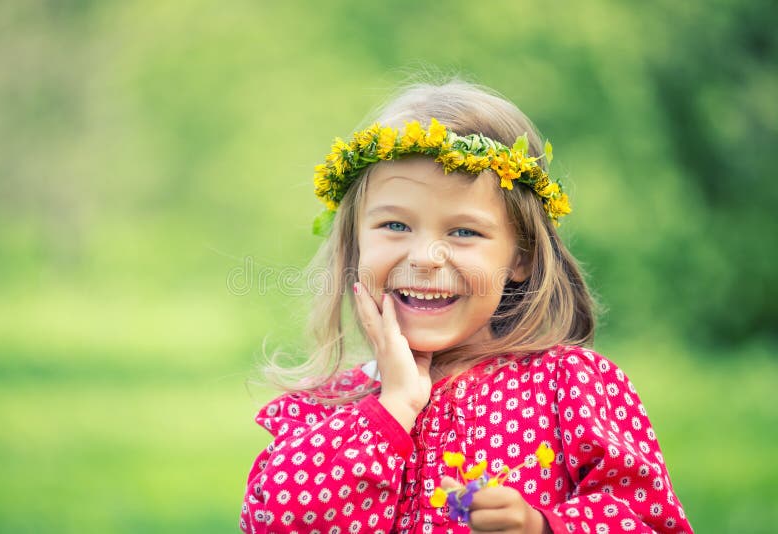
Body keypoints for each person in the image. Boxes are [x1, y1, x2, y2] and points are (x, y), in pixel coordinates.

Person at [238, 79, 693, 534]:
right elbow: (277, 522)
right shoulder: (324, 409)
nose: (424, 257)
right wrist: (391, 410)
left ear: (521, 256)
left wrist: (542, 527)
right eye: (395, 224)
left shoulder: (568, 387)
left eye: (463, 232)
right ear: (355, 246)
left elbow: (651, 520)